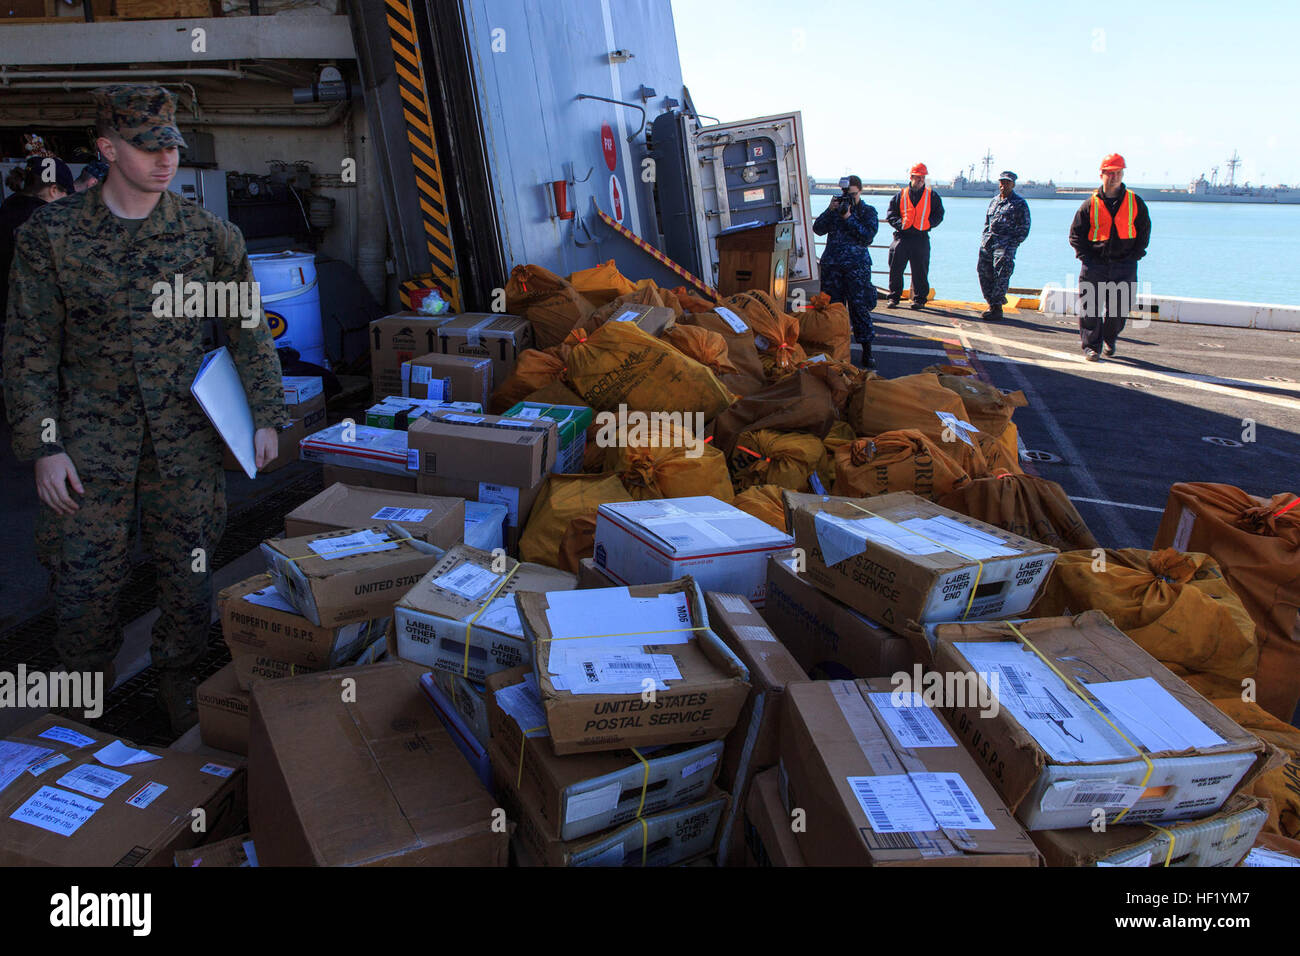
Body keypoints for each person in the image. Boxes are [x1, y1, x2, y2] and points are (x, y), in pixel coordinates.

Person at [3, 85, 286, 733]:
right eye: (148, 145)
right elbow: (29, 346)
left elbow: (246, 330)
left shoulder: (205, 236)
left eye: (173, 147)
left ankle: (182, 689)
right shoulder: (51, 236)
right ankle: (79, 709)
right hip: (87, 443)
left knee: (187, 577)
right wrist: (44, 445)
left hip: (184, 442)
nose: (166, 161)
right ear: (107, 149)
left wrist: (266, 416)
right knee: (81, 584)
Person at [1068, 152, 1151, 360]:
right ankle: (1091, 346)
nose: (1114, 177)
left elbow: (1144, 230)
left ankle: (1110, 338)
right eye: (1109, 173)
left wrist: (1135, 256)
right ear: (1101, 174)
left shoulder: (1135, 202)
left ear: (1122, 174)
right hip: (1095, 264)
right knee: (1091, 307)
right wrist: (1085, 258)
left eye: (1118, 173)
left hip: (1125, 264)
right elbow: (1076, 234)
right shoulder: (1089, 205)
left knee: (1119, 309)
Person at [1, 157, 75, 373]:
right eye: (66, 194)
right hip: (38, 328)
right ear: (54, 190)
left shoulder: (6, 209)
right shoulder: (47, 224)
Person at [813, 173, 880, 369]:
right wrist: (830, 209)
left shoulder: (868, 211)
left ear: (860, 191)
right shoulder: (835, 209)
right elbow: (817, 229)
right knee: (832, 309)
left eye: (852, 194)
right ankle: (833, 348)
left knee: (860, 309)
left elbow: (867, 236)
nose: (848, 198)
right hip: (833, 267)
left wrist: (848, 217)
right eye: (845, 194)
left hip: (856, 268)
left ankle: (867, 351)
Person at [885, 163, 944, 310]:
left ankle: (919, 299)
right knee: (896, 269)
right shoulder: (901, 195)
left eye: (923, 178)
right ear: (911, 177)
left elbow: (939, 214)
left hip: (921, 238)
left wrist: (929, 224)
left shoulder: (932, 196)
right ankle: (893, 298)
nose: (921, 180)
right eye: (918, 178)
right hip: (902, 237)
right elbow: (891, 214)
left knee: (920, 270)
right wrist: (900, 224)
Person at [977, 171, 1031, 320]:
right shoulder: (994, 201)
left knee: (1001, 275)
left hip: (1004, 246)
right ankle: (991, 302)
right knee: (983, 273)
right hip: (988, 244)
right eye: (1001, 182)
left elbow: (1025, 227)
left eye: (1007, 182)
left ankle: (996, 307)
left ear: (1013, 184)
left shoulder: (1019, 204)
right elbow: (987, 223)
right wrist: (984, 239)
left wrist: (1012, 244)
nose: (1003, 185)